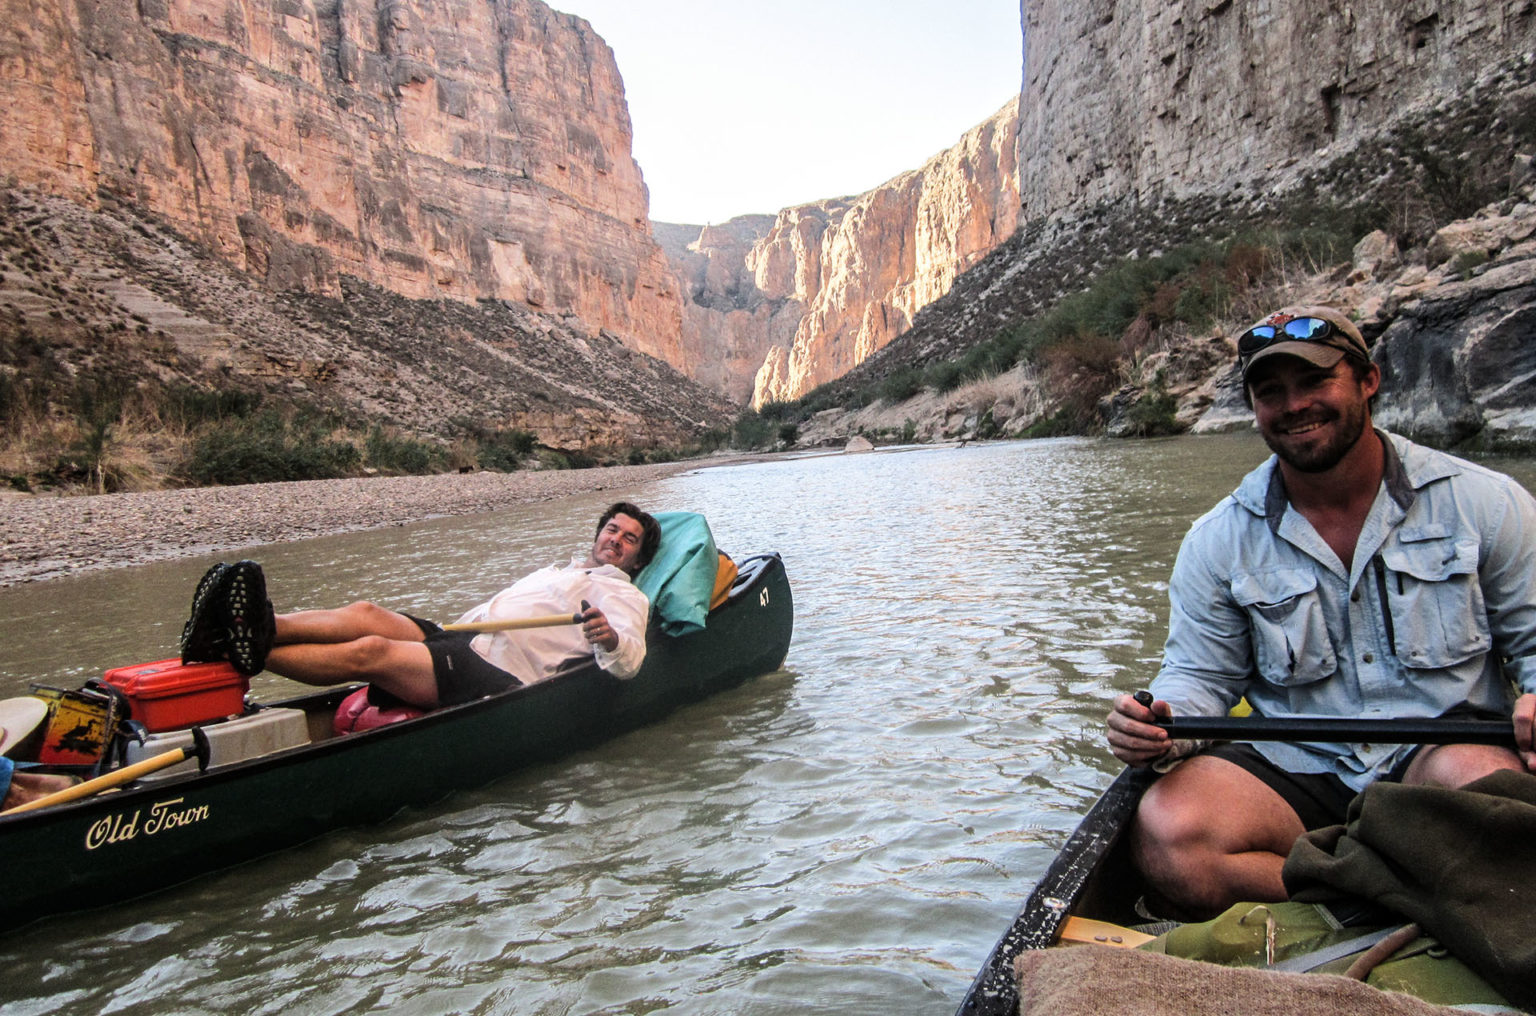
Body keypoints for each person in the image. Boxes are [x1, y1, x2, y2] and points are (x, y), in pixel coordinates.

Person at [1105, 305, 1536, 919]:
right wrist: (1160, 723)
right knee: (1171, 837)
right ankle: (1410, 890)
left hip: (1439, 752)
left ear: (1368, 382)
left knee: (1497, 802)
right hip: (1298, 765)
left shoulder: (1485, 503)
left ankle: (1347, 890)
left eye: (1314, 382)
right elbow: (1201, 676)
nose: (1293, 405)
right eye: (1271, 392)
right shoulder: (1218, 538)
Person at [180, 502, 662, 709]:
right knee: (367, 613)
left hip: (499, 668)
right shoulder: (563, 570)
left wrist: (611, 638)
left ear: (639, 558)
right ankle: (257, 624)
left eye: (629, 539)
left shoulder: (623, 593)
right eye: (612, 529)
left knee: (374, 651)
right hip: (465, 636)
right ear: (599, 532)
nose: (616, 540)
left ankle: (238, 651)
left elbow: (631, 660)